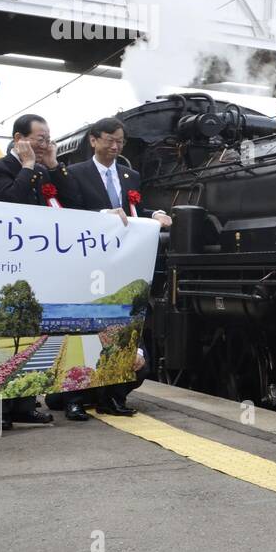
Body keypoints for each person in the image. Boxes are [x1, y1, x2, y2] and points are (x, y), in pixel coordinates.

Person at [46, 117, 170, 421]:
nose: (115, 146)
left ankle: (112, 396)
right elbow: (69, 213)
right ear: (93, 140)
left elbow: (132, 214)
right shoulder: (75, 174)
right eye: (109, 140)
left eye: (120, 141)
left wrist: (153, 213)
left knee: (123, 326)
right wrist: (103, 215)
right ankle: (74, 397)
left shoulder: (131, 175)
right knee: (82, 328)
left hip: (122, 265)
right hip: (87, 263)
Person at [0, 114, 83, 426]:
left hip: (37, 266)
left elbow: (74, 201)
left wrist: (52, 165)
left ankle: (24, 404)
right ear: (18, 138)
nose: (44, 144)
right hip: (6, 267)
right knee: (6, 337)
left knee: (32, 335)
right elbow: (11, 200)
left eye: (48, 138)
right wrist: (26, 167)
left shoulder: (42, 169)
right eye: (40, 138)